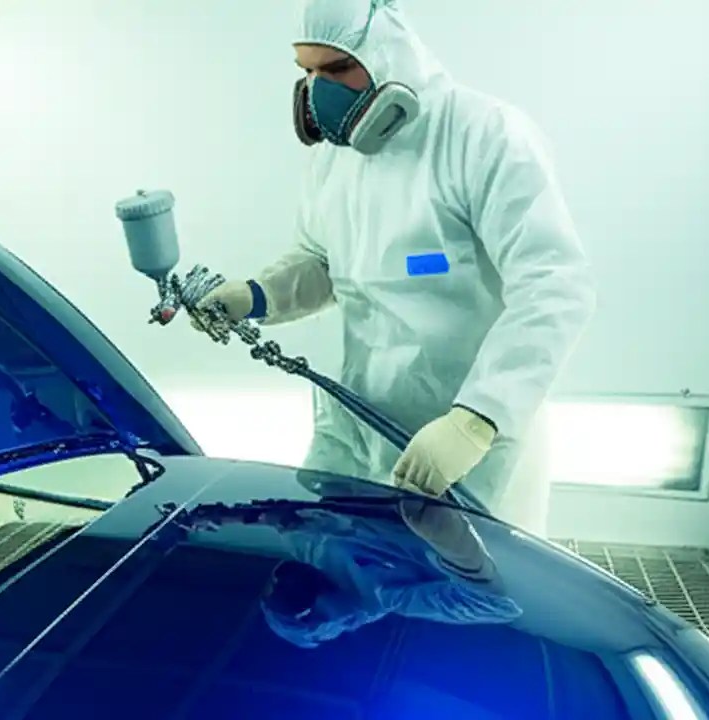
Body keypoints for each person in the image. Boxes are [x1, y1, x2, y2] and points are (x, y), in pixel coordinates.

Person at [198, 0, 596, 531]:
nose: (319, 90)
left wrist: (478, 420)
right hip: (354, 424)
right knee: (332, 569)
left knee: (463, 597)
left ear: (388, 56)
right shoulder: (332, 158)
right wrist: (256, 296)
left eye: (337, 69)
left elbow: (554, 287)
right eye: (308, 72)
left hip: (463, 437)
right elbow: (323, 261)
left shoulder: (483, 136)